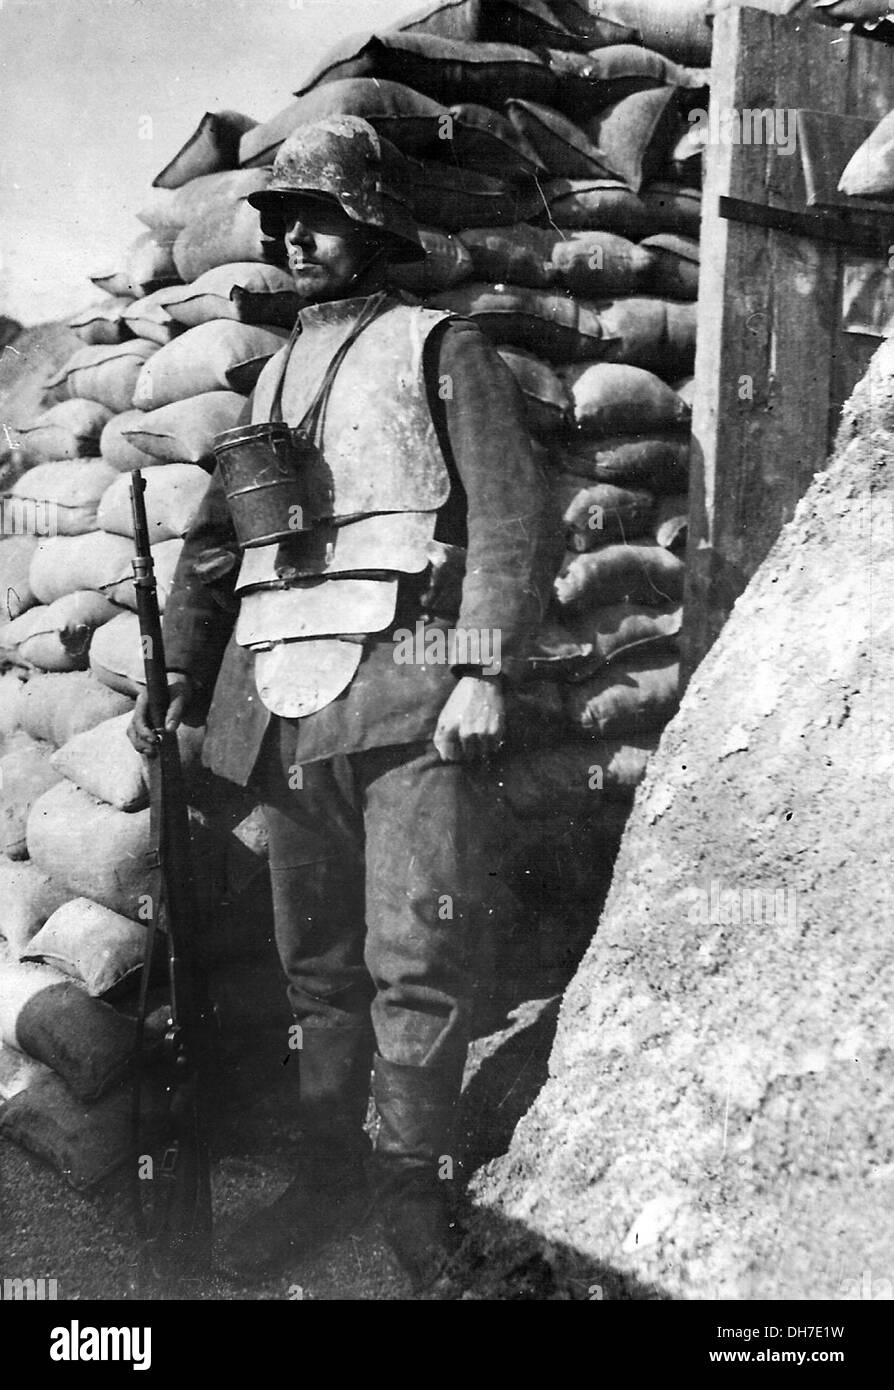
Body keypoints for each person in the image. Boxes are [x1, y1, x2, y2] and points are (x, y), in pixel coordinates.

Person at [129, 115, 558, 1292]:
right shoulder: (268, 370)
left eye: (313, 215)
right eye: (278, 220)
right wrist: (173, 680)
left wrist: (483, 668)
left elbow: (512, 518)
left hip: (410, 688)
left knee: (413, 949)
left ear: (369, 224)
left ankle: (412, 1191)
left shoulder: (440, 347)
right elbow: (216, 549)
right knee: (313, 963)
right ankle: (325, 1168)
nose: (292, 237)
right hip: (283, 700)